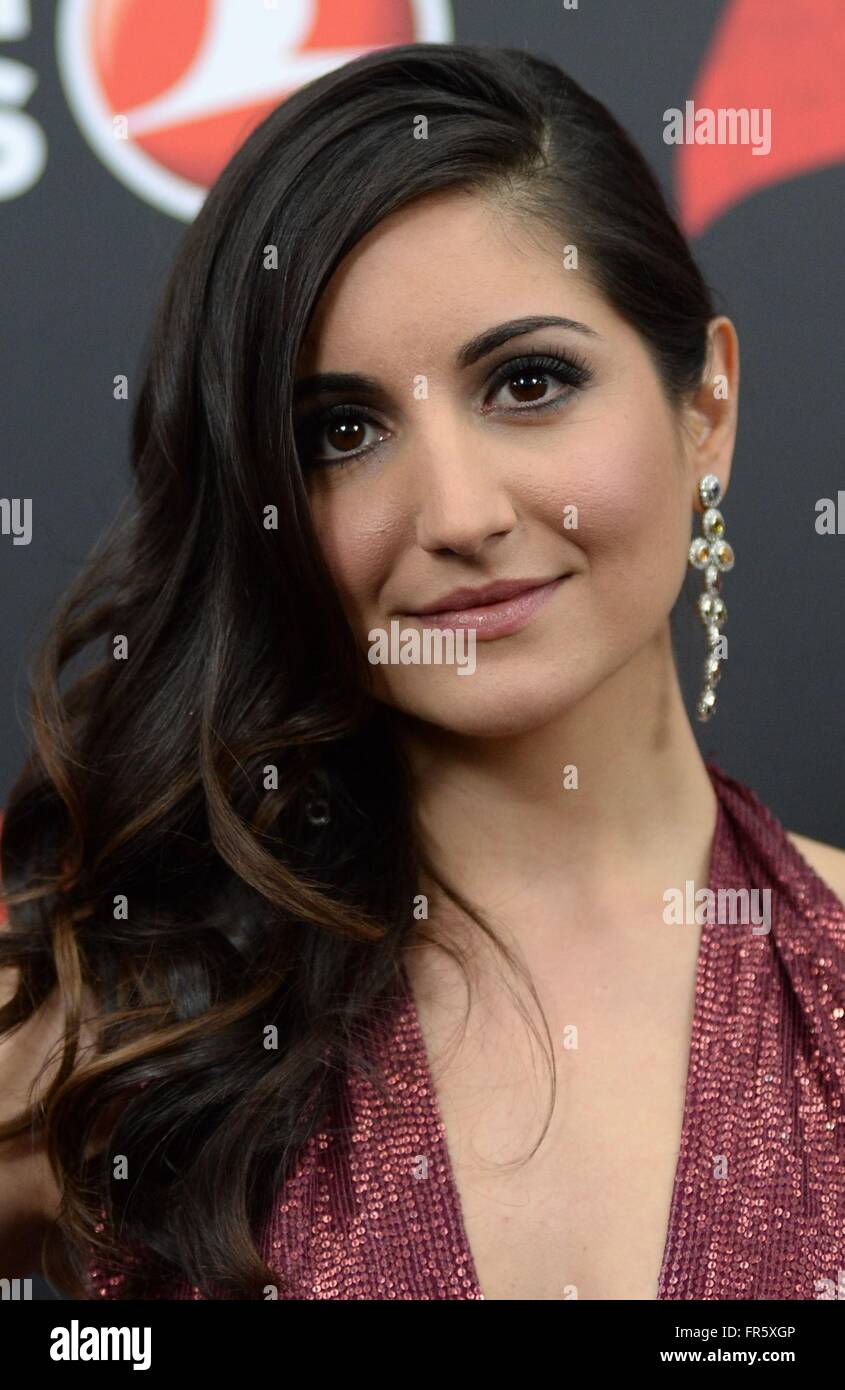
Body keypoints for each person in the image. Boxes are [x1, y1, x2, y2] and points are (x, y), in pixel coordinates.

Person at [1, 42, 844, 1303]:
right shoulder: (102, 1014)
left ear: (702, 408)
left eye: (527, 382)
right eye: (341, 432)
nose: (454, 512)